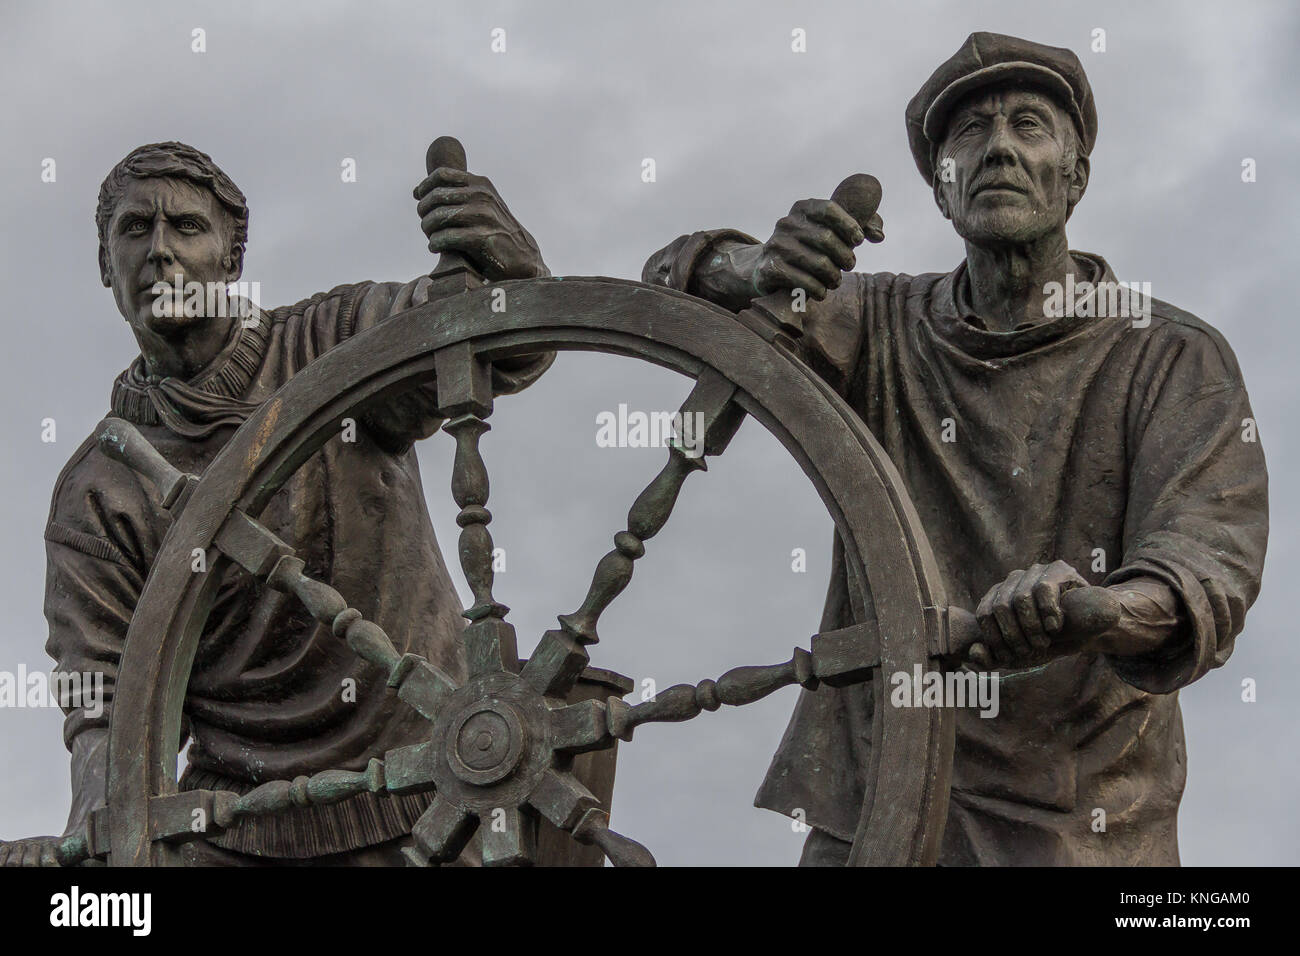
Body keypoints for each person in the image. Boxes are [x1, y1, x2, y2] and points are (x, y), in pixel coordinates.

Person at [641, 33, 1268, 865]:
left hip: (1081, 815)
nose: (998, 147)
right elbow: (663, 290)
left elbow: (1205, 570)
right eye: (971, 132)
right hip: (880, 797)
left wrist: (1096, 610)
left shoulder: (1171, 358)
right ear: (942, 190)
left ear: (1075, 178)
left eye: (1028, 125)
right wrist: (755, 265)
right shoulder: (878, 326)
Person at [0, 140, 552, 866]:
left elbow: (487, 339)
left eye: (186, 227)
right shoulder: (97, 494)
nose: (160, 250)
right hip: (241, 832)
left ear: (232, 257)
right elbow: (105, 707)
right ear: (106, 263)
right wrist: (96, 839)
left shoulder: (333, 344)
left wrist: (516, 274)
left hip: (435, 791)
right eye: (135, 229)